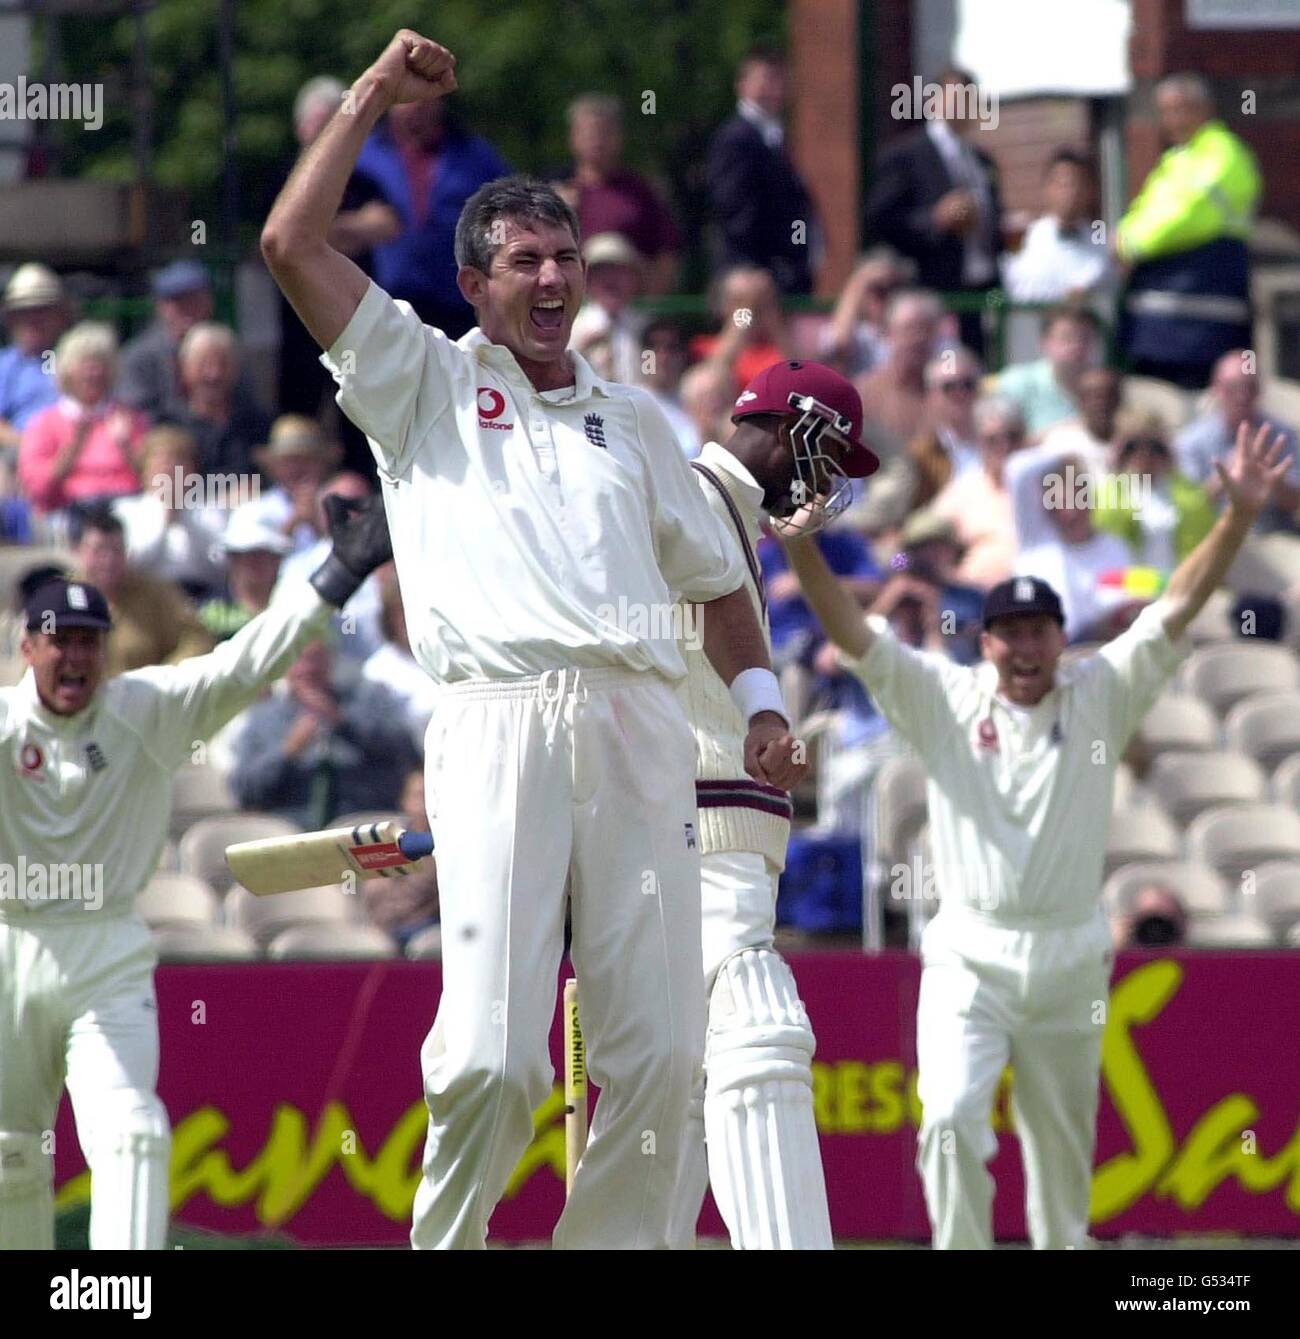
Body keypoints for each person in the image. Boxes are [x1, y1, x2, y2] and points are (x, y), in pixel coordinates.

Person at [260, 28, 803, 1251]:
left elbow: (718, 581)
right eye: (523, 262)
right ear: (475, 282)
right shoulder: (422, 385)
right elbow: (290, 245)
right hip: (498, 723)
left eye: (565, 258)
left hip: (642, 730)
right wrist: (370, 99)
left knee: (665, 1061)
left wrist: (763, 700)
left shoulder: (639, 418)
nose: (554, 281)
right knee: (495, 1066)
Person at [783, 420, 1290, 1248]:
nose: (1025, 647)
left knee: (1061, 1158)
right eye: (1009, 633)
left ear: (1061, 638)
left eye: (1039, 632)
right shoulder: (946, 697)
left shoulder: (1099, 689)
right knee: (946, 1121)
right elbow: (856, 638)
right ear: (985, 643)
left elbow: (1176, 606)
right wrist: (805, 550)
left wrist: (1235, 519)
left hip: (1067, 955)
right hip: (968, 953)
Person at [0, 496, 392, 1248]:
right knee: (15, 1152)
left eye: (90, 641)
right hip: (13, 943)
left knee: (134, 1131)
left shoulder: (145, 710)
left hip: (105, 946)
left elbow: (247, 663)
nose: (76, 656)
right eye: (60, 641)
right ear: (29, 648)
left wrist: (335, 574)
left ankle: (126, 1297)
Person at [667, 359, 879, 1250]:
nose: (829, 483)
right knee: (760, 1033)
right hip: (693, 830)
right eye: (830, 455)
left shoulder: (726, 518)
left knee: (668, 1096)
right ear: (797, 426)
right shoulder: (686, 494)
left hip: (689, 825)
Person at [275, 76, 401, 478]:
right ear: (301, 128)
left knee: (362, 424)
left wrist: (320, 232)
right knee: (297, 425)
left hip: (356, 326)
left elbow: (387, 224)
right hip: (299, 328)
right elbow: (283, 238)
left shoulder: (362, 180)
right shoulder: (284, 179)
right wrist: (350, 229)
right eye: (319, 123)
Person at [1116, 75, 1260, 391]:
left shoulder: (1224, 153)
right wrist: (1123, 236)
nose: (1174, 120)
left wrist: (1130, 243)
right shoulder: (1175, 160)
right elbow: (1145, 208)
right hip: (1158, 330)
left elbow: (1192, 212)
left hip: (1205, 322)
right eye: (1166, 111)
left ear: (1206, 109)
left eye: (1183, 109)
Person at [863, 66, 1002, 356]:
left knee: (975, 366)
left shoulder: (981, 160)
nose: (962, 105)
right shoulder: (907, 154)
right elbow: (879, 218)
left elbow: (993, 217)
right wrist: (934, 220)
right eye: (954, 96)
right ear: (933, 101)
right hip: (931, 289)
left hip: (980, 293)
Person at [356, 95, 510, 338]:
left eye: (425, 97)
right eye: (407, 97)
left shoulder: (474, 154)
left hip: (458, 304)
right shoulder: (364, 156)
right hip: (382, 304)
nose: (417, 104)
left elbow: (508, 215)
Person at [229, 635, 419, 829]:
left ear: (329, 661)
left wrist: (343, 724)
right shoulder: (263, 717)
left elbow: (404, 753)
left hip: (360, 823)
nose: (308, 668)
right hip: (291, 828)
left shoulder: (365, 701)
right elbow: (243, 789)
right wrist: (287, 751)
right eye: (299, 659)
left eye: (315, 658)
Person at [707, 45, 820, 295]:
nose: (775, 88)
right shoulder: (736, 138)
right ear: (742, 85)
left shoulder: (776, 137)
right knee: (747, 327)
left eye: (780, 79)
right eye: (766, 78)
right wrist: (769, 259)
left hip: (785, 275)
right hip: (752, 274)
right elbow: (734, 206)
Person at [553, 93, 681, 295]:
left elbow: (667, 252)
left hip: (633, 310)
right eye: (589, 133)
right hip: (574, 308)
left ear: (619, 137)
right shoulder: (553, 197)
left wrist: (651, 302)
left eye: (604, 132)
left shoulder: (641, 192)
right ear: (573, 137)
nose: (597, 141)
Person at [18, 322, 148, 517]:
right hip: (70, 510)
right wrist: (72, 450)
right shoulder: (45, 423)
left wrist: (126, 447)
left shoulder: (129, 418)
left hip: (126, 507)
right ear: (68, 371)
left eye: (101, 365)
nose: (94, 373)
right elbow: (38, 489)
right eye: (86, 366)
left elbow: (152, 478)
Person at [115, 261, 263, 424]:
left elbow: (249, 407)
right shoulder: (139, 356)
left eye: (194, 299)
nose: (187, 308)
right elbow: (135, 416)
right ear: (161, 306)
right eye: (177, 301)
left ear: (209, 301)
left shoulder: (230, 349)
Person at [73, 504, 214, 676]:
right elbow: (38, 649)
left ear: (127, 553)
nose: (108, 561)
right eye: (99, 550)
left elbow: (197, 638)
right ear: (79, 552)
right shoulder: (59, 598)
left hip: (146, 697)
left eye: (116, 550)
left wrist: (164, 678)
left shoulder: (156, 593)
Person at [1175, 350, 1300, 534]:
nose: (1242, 397)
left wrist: (1272, 476)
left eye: (1250, 388)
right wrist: (1227, 472)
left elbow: (1296, 502)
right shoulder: (1190, 442)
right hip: (1215, 537)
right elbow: (1187, 510)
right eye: (1233, 388)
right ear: (1216, 389)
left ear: (1259, 391)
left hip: (1273, 538)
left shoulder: (1282, 436)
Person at [112, 425, 227, 601]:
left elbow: (219, 571)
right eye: (159, 460)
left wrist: (185, 519)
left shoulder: (210, 511)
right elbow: (130, 566)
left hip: (199, 598)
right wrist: (165, 518)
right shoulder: (126, 510)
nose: (168, 467)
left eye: (177, 460)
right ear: (144, 469)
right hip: (143, 598)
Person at [1093, 411, 1215, 572]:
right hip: (1127, 586)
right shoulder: (1112, 491)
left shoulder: (1184, 491)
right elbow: (1106, 531)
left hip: (1174, 584)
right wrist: (1116, 470)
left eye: (1154, 447)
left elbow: (1201, 533)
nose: (1144, 455)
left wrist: (1172, 465)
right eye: (1133, 447)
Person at [930, 397, 1029, 590]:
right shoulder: (962, 490)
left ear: (1025, 438)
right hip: (979, 599)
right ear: (978, 443)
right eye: (993, 440)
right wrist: (950, 578)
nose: (1004, 446)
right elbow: (912, 550)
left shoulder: (1045, 483)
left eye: (1012, 437)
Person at [159, 323, 271, 480]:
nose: (214, 374)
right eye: (203, 365)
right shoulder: (169, 427)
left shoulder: (259, 424)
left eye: (223, 364)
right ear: (184, 369)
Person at [1003, 149, 1115, 304]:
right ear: (1047, 188)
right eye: (1063, 184)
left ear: (1089, 191)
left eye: (1077, 183)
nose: (1070, 192)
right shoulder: (1030, 236)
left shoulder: (1099, 234)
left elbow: (1107, 274)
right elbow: (1020, 288)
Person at [228, 414, 344, 558]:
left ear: (321, 464)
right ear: (274, 467)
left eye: (306, 460)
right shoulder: (254, 510)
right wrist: (293, 524)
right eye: (288, 461)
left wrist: (318, 525)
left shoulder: (343, 503)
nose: (296, 468)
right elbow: (254, 564)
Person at [362, 765, 441, 951]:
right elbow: (374, 895)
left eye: (429, 795)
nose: (423, 803)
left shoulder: (446, 844)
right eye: (418, 795)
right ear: (404, 800)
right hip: (384, 926)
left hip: (426, 927)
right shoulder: (383, 840)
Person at [995, 304, 1102, 440]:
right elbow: (1002, 443)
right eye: (1067, 338)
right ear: (1044, 343)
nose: (1077, 345)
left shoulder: (1106, 387)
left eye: (1085, 338)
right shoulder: (1016, 382)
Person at [689, 265, 791, 395]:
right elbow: (711, 380)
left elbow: (805, 379)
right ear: (722, 306)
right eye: (739, 302)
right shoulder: (704, 346)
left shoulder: (782, 350)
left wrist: (773, 319)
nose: (753, 311)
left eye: (760, 304)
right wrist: (745, 313)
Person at [0, 263, 69, 451]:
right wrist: (31, 449)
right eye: (24, 312)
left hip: (74, 455)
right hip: (17, 456)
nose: (33, 320)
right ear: (11, 319)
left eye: (42, 311)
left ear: (60, 316)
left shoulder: (75, 360)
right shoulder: (4, 365)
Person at [198, 509, 292, 643]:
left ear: (277, 558)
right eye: (246, 553)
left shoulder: (293, 605)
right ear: (231, 557)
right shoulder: (208, 612)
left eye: (264, 552)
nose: (255, 561)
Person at [819, 250, 912, 380]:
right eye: (877, 289)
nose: (886, 296)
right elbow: (839, 344)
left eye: (894, 288)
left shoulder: (914, 333)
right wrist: (861, 279)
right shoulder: (857, 333)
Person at [568, 232, 646, 385]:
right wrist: (579, 350)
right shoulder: (570, 328)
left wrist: (648, 359)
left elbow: (652, 374)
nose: (611, 280)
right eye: (602, 272)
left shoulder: (645, 328)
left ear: (634, 279)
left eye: (619, 272)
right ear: (586, 280)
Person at [637, 318, 699, 457]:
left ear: (683, 356)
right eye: (653, 347)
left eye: (671, 348)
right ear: (642, 355)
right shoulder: (628, 402)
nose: (663, 356)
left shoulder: (697, 401)